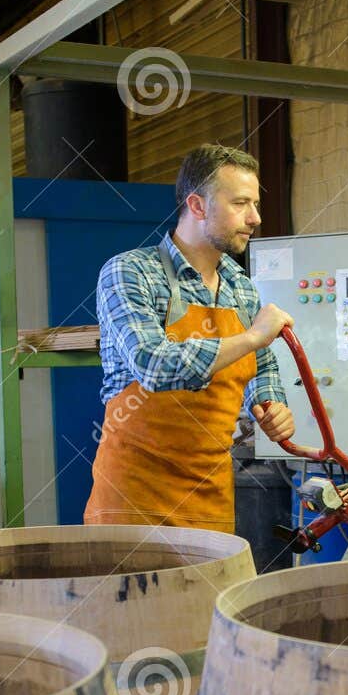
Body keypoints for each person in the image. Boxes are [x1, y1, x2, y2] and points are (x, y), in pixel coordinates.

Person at [84, 143, 296, 532]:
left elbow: (262, 365)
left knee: (211, 594)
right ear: (197, 206)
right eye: (241, 204)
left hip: (209, 495)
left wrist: (270, 404)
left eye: (255, 204)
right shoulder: (130, 272)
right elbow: (154, 366)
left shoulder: (240, 287)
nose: (256, 218)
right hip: (135, 498)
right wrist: (251, 338)